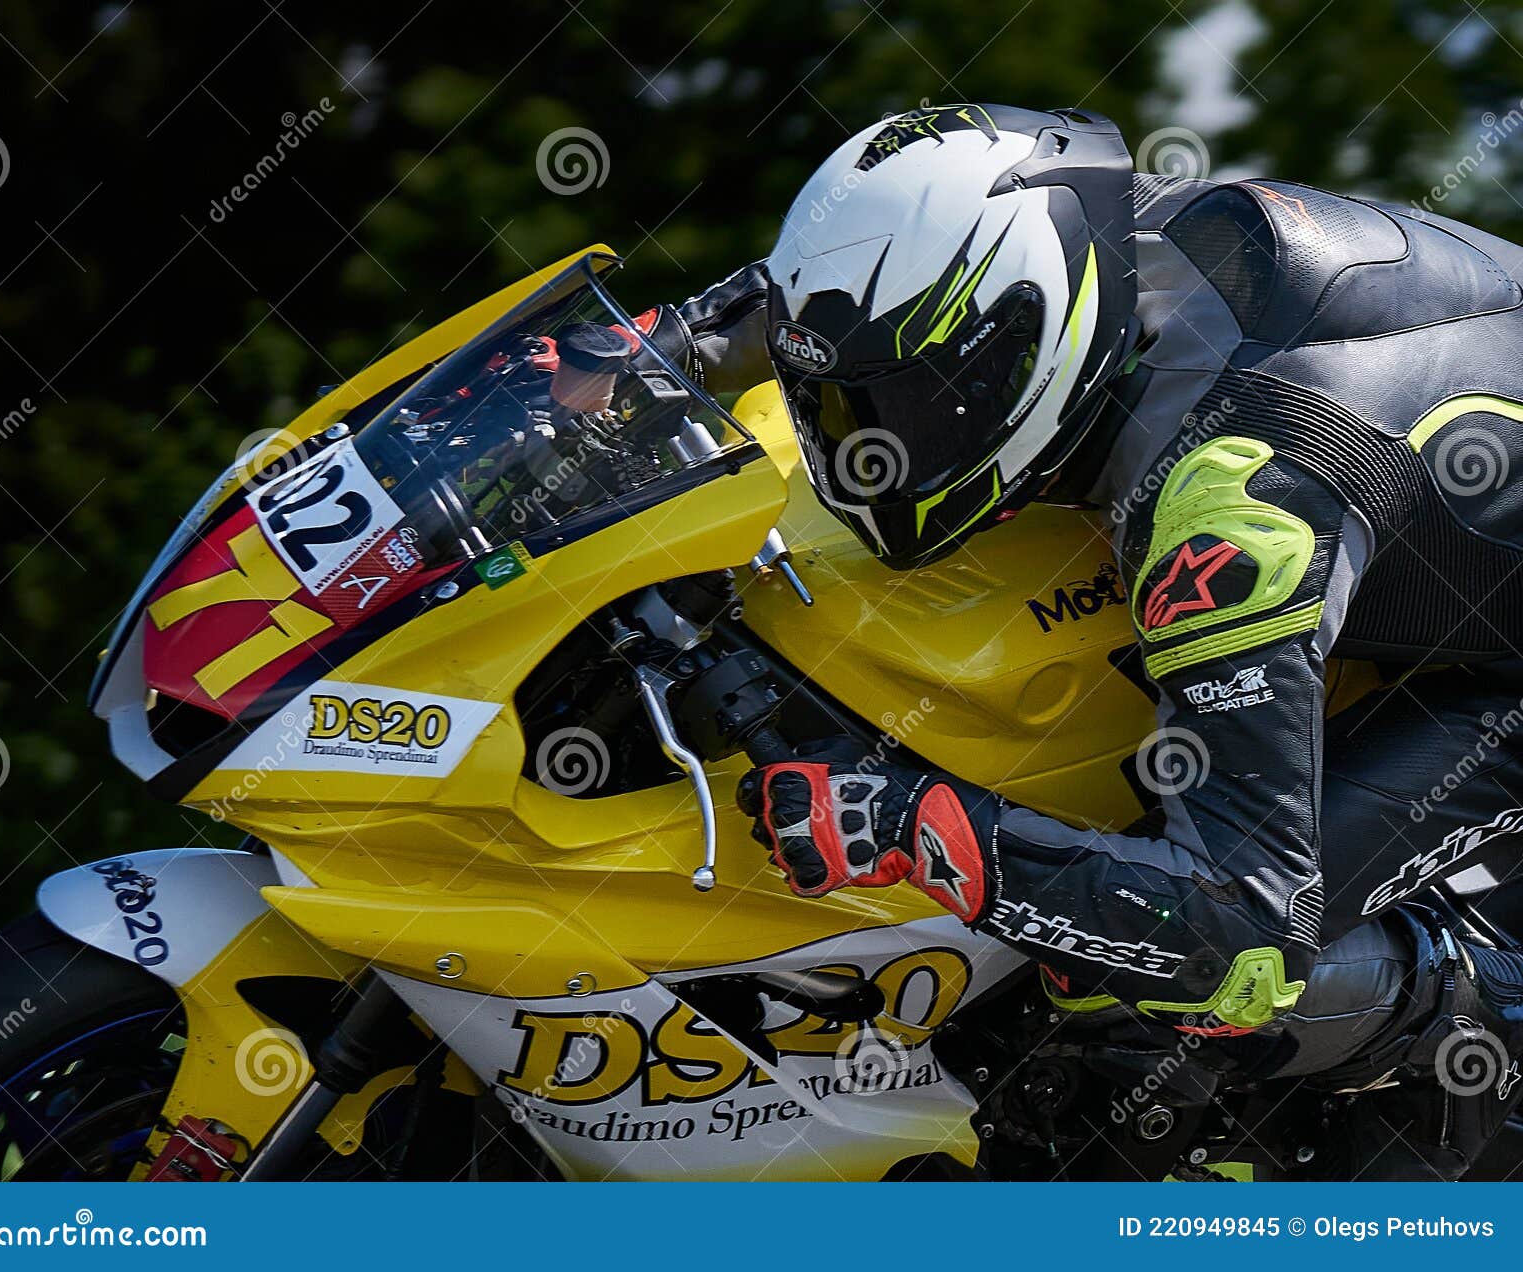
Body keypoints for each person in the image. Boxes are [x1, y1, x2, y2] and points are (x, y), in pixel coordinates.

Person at [643, 102, 1523, 1179]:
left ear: (1016, 353)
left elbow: (1241, 918)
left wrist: (910, 822)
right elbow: (857, 276)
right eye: (834, 408)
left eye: (907, 409)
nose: (862, 453)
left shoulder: (1235, 496)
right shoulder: (1083, 230)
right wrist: (661, 343)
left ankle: (1475, 1029)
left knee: (1165, 961)